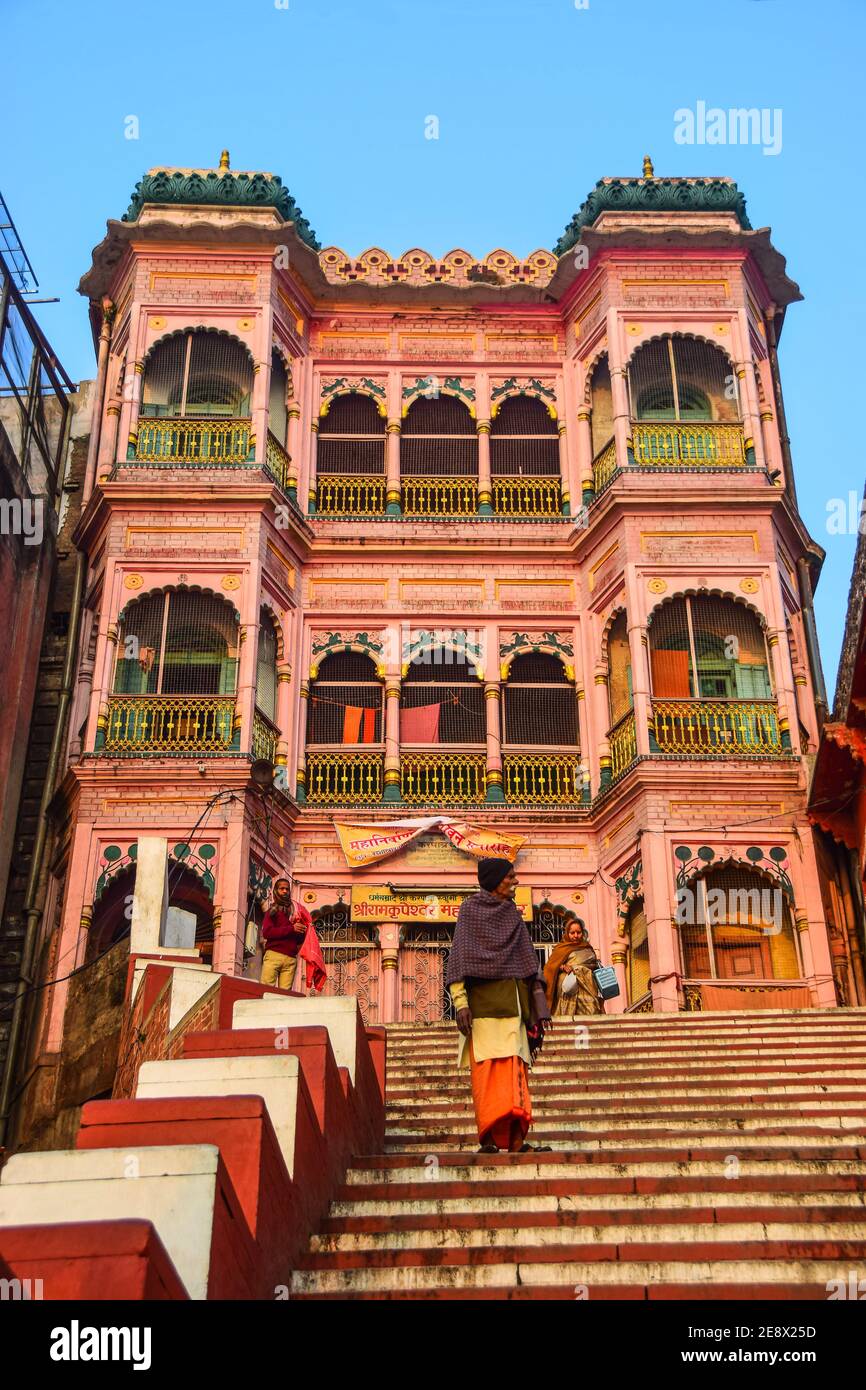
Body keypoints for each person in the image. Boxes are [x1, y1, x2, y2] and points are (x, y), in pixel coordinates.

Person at [445, 857, 553, 1154]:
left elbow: (528, 963)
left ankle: (517, 1141)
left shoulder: (513, 915)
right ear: (495, 880)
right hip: (480, 1010)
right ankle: (489, 1140)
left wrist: (537, 1004)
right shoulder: (470, 911)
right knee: (487, 1076)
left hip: (514, 1007)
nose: (515, 881)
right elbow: (459, 960)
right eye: (510, 877)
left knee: (514, 1073)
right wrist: (460, 1003)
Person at [544, 919, 605, 1017]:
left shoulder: (587, 947)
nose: (576, 936)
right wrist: (563, 966)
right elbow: (550, 967)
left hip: (588, 986)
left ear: (582, 933)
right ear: (567, 933)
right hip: (569, 986)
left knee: (592, 1010)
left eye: (578, 932)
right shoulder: (561, 948)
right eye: (572, 933)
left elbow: (594, 966)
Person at [260, 878, 313, 990]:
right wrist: (291, 928)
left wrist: (303, 929)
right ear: (276, 891)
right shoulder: (272, 911)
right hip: (273, 955)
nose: (285, 891)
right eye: (281, 889)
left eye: (287, 889)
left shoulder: (295, 911)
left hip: (290, 959)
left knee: (284, 997)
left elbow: (298, 940)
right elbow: (267, 932)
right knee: (266, 990)